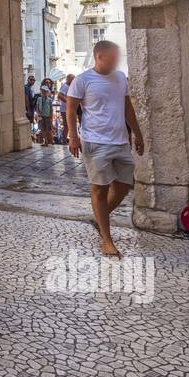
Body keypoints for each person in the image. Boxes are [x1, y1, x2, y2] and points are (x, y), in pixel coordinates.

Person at [67, 40, 144, 258]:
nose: (116, 61)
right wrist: (73, 136)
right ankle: (107, 240)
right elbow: (71, 109)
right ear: (99, 56)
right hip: (95, 142)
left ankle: (100, 217)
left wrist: (137, 134)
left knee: (123, 185)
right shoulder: (83, 80)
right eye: (112, 56)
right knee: (99, 189)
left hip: (120, 141)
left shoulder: (120, 77)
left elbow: (128, 107)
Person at [34, 79, 54, 146]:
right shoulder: (39, 99)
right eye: (42, 92)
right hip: (41, 116)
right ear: (41, 92)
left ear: (47, 92)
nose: (44, 93)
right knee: (42, 129)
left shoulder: (50, 100)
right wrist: (38, 113)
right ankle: (45, 141)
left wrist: (51, 116)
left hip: (47, 116)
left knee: (48, 128)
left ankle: (50, 140)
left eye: (45, 92)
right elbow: (37, 107)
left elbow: (51, 108)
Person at [57, 74, 75, 145]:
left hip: (68, 109)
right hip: (65, 109)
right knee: (67, 125)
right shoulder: (65, 86)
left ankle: (65, 140)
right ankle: (64, 141)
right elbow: (60, 95)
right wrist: (69, 102)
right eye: (73, 79)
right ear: (68, 79)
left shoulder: (69, 86)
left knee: (68, 125)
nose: (74, 80)